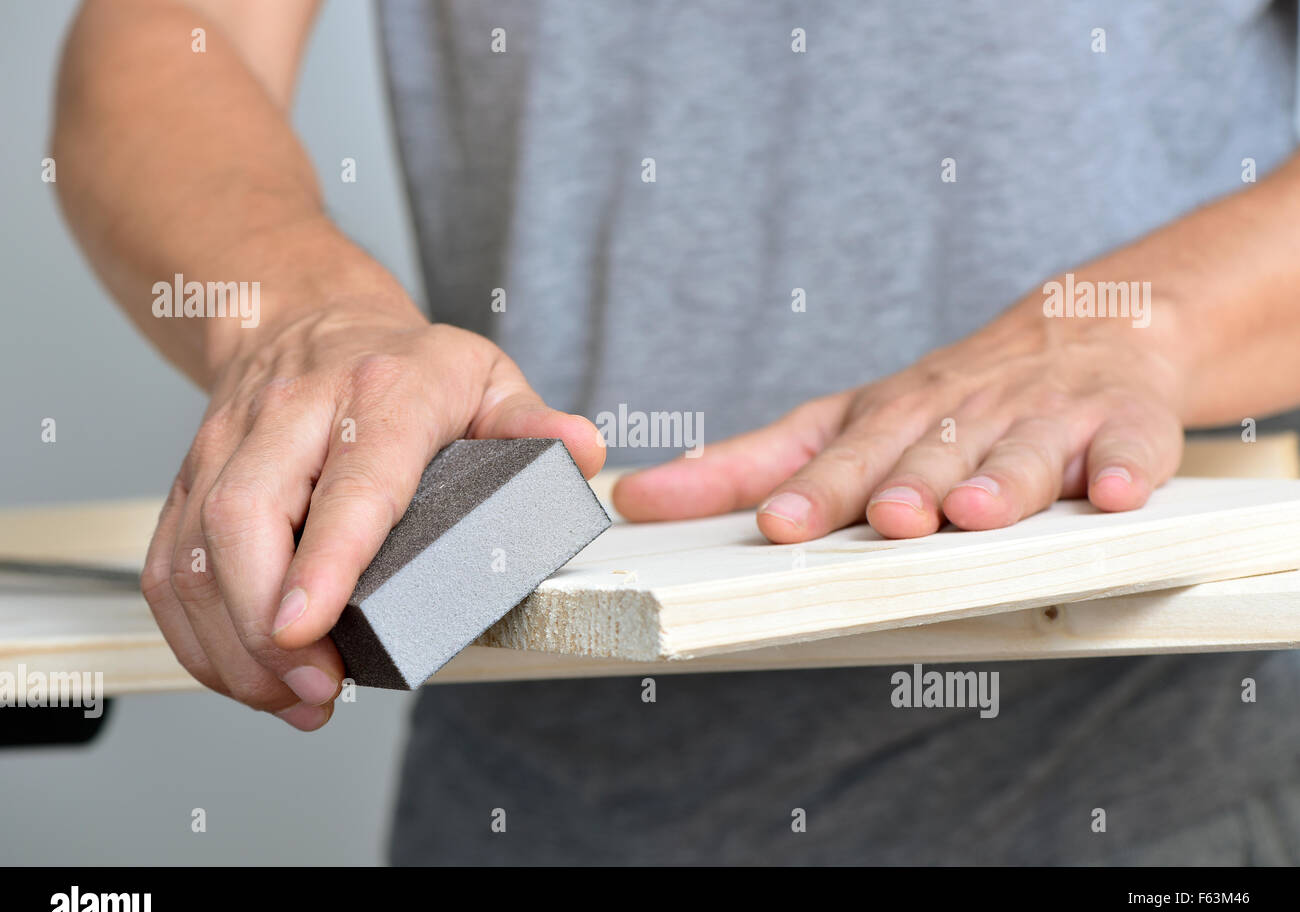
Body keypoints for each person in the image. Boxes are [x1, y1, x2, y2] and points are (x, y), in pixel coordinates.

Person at [54, 0, 1300, 864]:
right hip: (537, 804)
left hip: (1149, 804)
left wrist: (1127, 328)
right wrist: (299, 316)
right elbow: (163, 37)